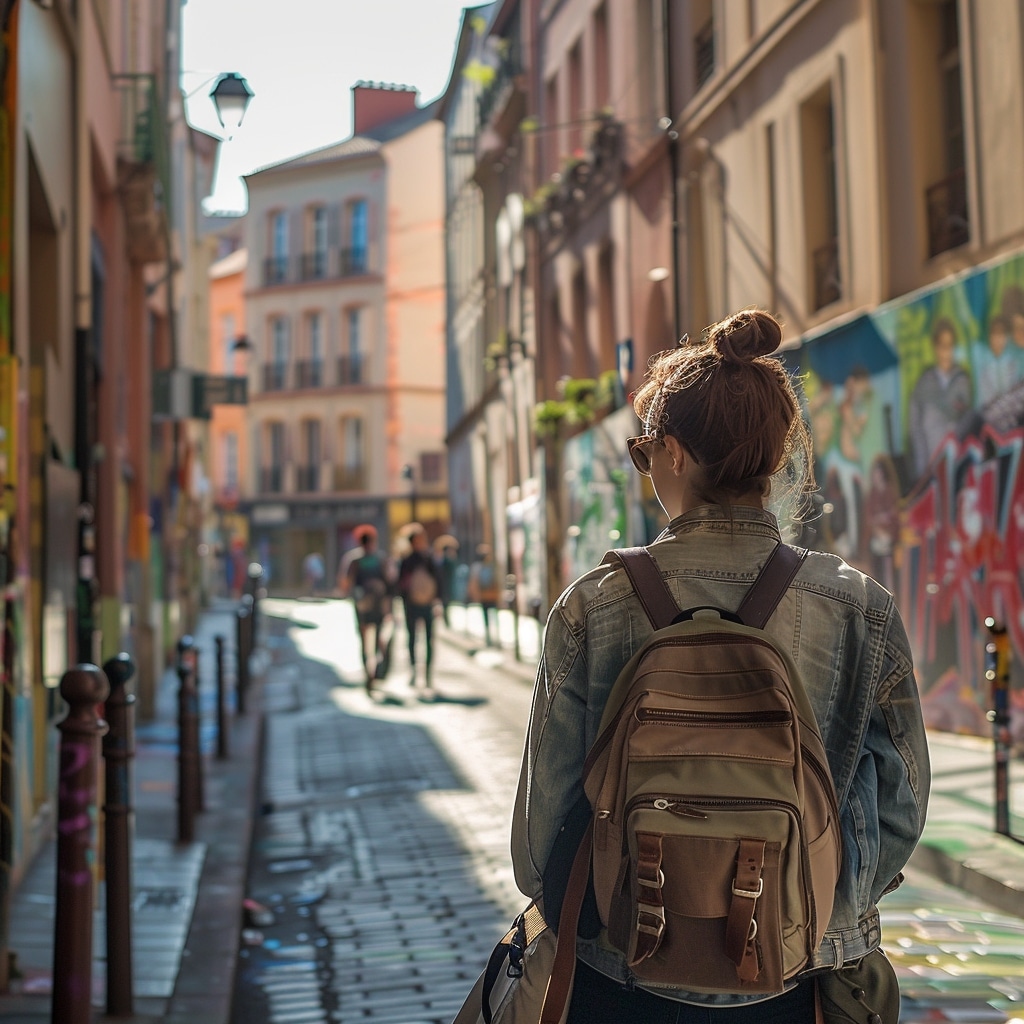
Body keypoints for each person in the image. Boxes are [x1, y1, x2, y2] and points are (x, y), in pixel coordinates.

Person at [510, 310, 930, 1022]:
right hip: (800, 986)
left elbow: (538, 841)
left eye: (645, 455)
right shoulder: (861, 607)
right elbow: (900, 803)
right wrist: (821, 914)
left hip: (623, 979)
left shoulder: (591, 607)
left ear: (672, 454)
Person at [908, 317, 971, 478]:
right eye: (942, 346)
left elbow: (966, 418)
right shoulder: (923, 384)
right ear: (935, 347)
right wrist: (922, 469)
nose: (946, 352)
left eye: (950, 346)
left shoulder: (962, 380)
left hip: (958, 461)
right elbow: (915, 429)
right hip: (931, 464)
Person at [337, 525, 394, 695]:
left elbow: (345, 583)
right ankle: (376, 670)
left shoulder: (353, 560)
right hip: (378, 604)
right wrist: (389, 606)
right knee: (377, 639)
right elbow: (389, 583)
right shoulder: (380, 559)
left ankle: (367, 674)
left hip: (361, 605)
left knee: (363, 641)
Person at [397, 524, 441, 697]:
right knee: (415, 639)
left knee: (424, 640)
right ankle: (416, 672)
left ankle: (426, 674)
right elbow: (401, 585)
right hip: (413, 605)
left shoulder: (425, 559)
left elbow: (438, 581)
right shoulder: (411, 560)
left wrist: (437, 601)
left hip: (423, 604)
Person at [467, 543, 501, 646]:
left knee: (494, 616)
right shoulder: (478, 568)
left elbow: (497, 581)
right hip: (484, 596)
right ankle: (489, 637)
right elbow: (474, 582)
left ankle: (495, 636)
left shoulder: (492, 567)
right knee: (486, 616)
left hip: (492, 595)